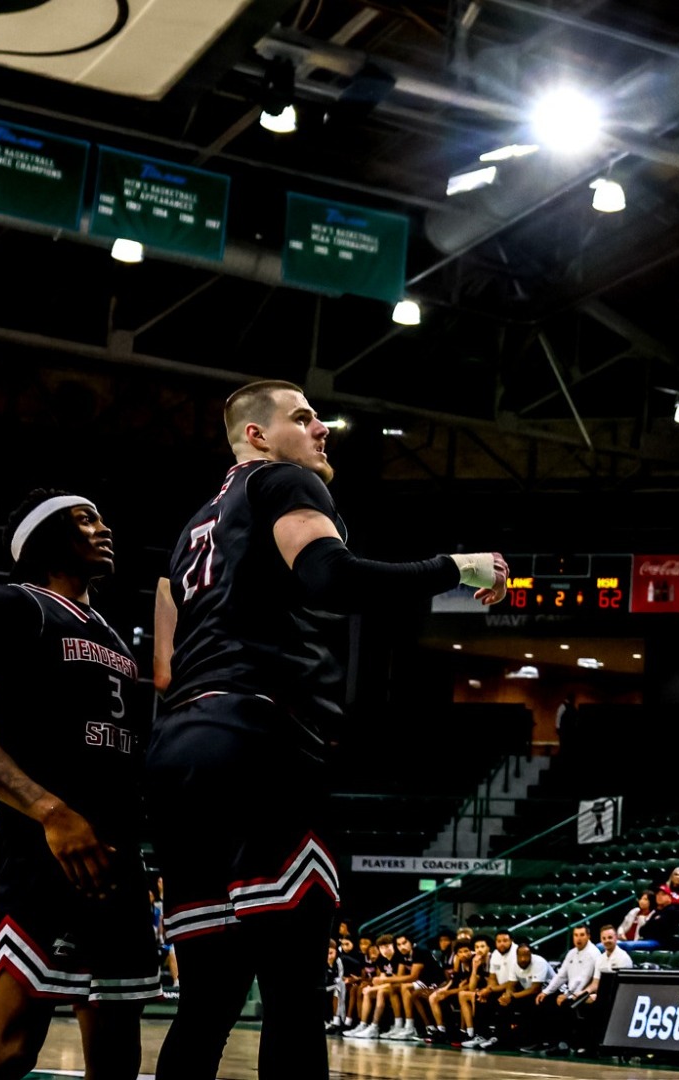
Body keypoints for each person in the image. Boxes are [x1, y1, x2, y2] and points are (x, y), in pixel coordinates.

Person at [148, 380, 508, 1076]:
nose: (323, 429)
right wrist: (454, 568)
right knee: (291, 995)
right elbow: (329, 576)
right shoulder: (282, 483)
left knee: (207, 1003)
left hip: (179, 750)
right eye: (304, 417)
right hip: (256, 737)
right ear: (256, 436)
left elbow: (163, 670)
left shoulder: (191, 529)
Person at [0, 490, 160, 1078]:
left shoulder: (111, 632)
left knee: (116, 1051)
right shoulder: (15, 605)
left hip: (116, 853)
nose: (104, 529)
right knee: (10, 1045)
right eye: (85, 519)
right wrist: (51, 812)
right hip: (42, 849)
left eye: (101, 516)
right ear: (45, 537)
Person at [526, 925, 601, 1054]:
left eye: (582, 935)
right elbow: (561, 975)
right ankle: (540, 1042)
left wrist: (567, 995)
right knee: (542, 1000)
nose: (578, 938)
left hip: (584, 994)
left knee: (563, 1005)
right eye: (576, 935)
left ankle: (563, 1044)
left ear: (588, 936)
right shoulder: (571, 953)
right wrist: (545, 992)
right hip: (571, 991)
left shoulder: (593, 954)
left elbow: (583, 980)